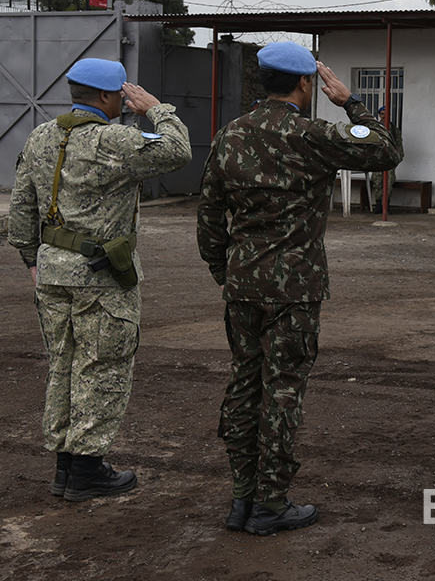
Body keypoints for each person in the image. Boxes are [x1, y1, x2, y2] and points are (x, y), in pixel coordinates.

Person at [196, 42, 399, 536]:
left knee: (245, 385)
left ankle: (241, 498)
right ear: (306, 84)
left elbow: (208, 216)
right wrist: (351, 103)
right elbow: (386, 149)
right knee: (282, 389)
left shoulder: (230, 135)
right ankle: (271, 503)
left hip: (243, 285)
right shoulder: (316, 134)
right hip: (295, 290)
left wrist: (225, 270)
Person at [8, 58, 191, 502]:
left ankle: (65, 467)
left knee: (64, 365)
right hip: (99, 274)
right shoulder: (115, 139)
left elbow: (20, 210)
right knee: (102, 367)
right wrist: (156, 109)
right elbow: (179, 150)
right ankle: (88, 471)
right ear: (110, 97)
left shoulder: (41, 137)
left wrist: (33, 259)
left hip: (52, 271)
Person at [369, 105, 405, 213]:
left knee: (388, 183)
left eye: (386, 114)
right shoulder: (375, 128)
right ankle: (378, 205)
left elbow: (399, 145)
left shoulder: (394, 130)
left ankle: (386, 206)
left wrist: (398, 159)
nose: (384, 116)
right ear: (379, 115)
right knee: (377, 182)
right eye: (382, 114)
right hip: (378, 159)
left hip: (389, 160)